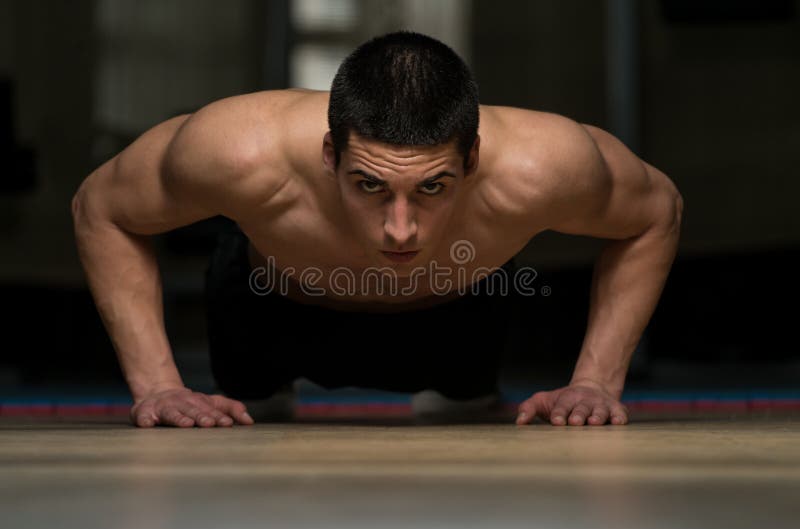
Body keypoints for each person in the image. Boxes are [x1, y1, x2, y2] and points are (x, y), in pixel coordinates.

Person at [71, 31, 682, 428]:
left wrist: (596, 381)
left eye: (432, 187)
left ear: (471, 160)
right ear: (329, 155)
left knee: (463, 417)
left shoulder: (545, 163)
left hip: (456, 322)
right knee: (249, 417)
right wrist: (156, 385)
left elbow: (657, 212)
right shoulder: (240, 151)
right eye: (369, 185)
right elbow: (101, 206)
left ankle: (457, 390)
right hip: (272, 314)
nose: (399, 229)